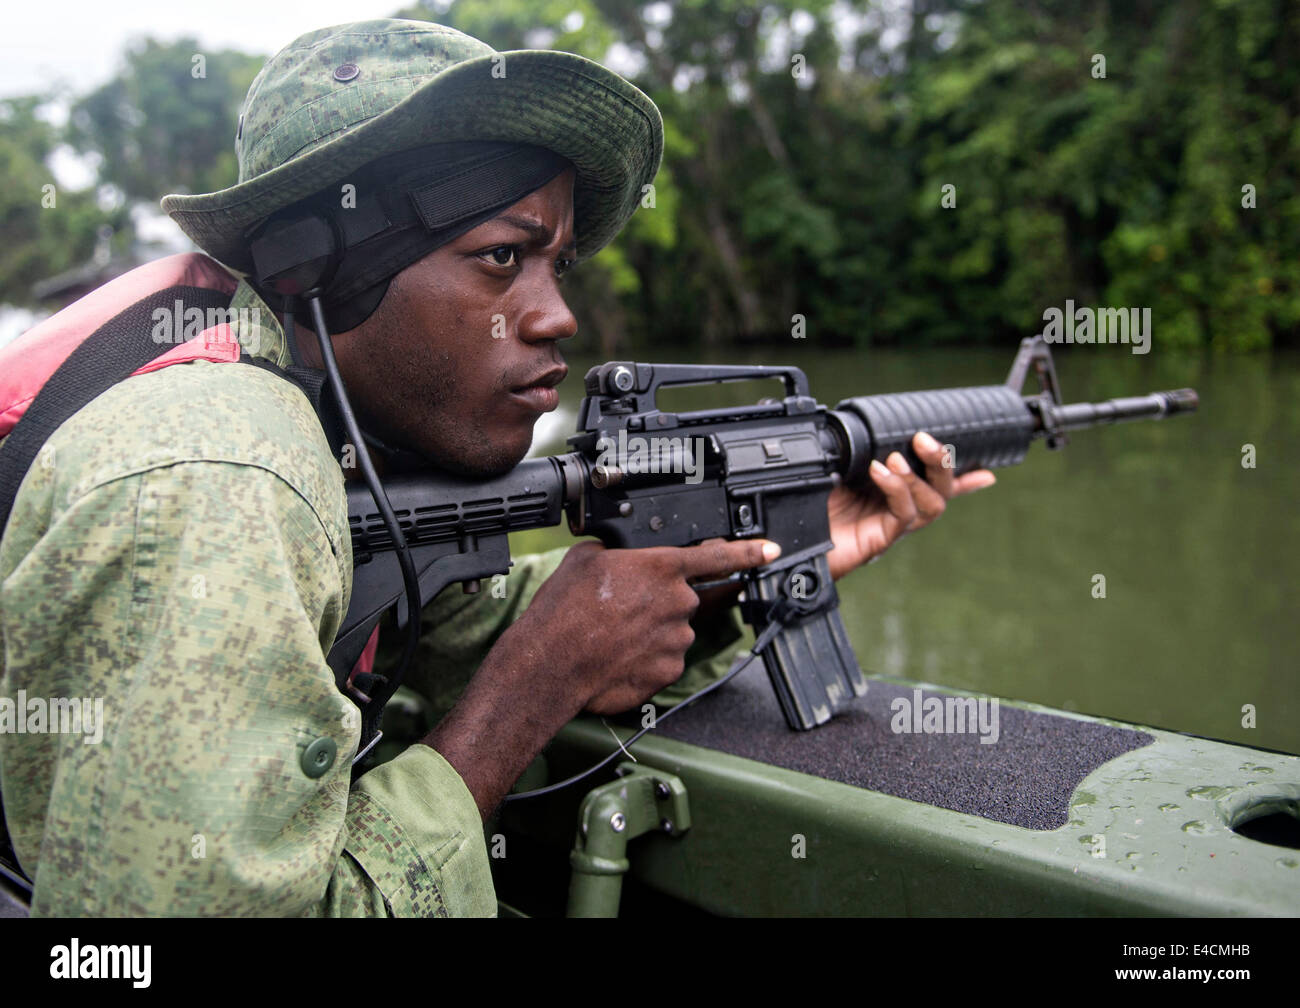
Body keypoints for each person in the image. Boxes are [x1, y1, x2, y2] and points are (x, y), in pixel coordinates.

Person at [0, 19, 995, 917]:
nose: (558, 314)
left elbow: (456, 637)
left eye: (558, 264)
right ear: (321, 270)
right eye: (500, 258)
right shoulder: (220, 472)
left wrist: (752, 561)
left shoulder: (326, 406)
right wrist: (528, 693)